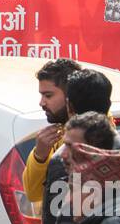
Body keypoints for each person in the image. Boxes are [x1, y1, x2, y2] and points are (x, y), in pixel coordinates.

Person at [23, 58, 84, 204]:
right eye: (41, 95)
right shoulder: (59, 133)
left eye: (48, 95)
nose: (42, 103)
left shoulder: (94, 135)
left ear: (71, 96)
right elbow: (32, 194)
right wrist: (40, 156)